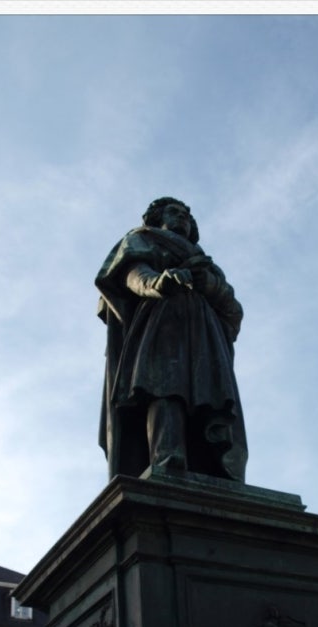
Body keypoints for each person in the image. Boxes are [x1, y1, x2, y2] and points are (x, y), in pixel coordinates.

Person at [95, 197, 248, 482]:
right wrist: (158, 282)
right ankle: (166, 455)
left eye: (188, 216)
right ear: (156, 217)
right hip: (161, 320)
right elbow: (131, 274)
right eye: (174, 212)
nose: (183, 219)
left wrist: (210, 285)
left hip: (204, 332)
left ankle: (213, 465)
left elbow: (233, 311)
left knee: (210, 395)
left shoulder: (207, 264)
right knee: (164, 386)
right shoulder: (141, 239)